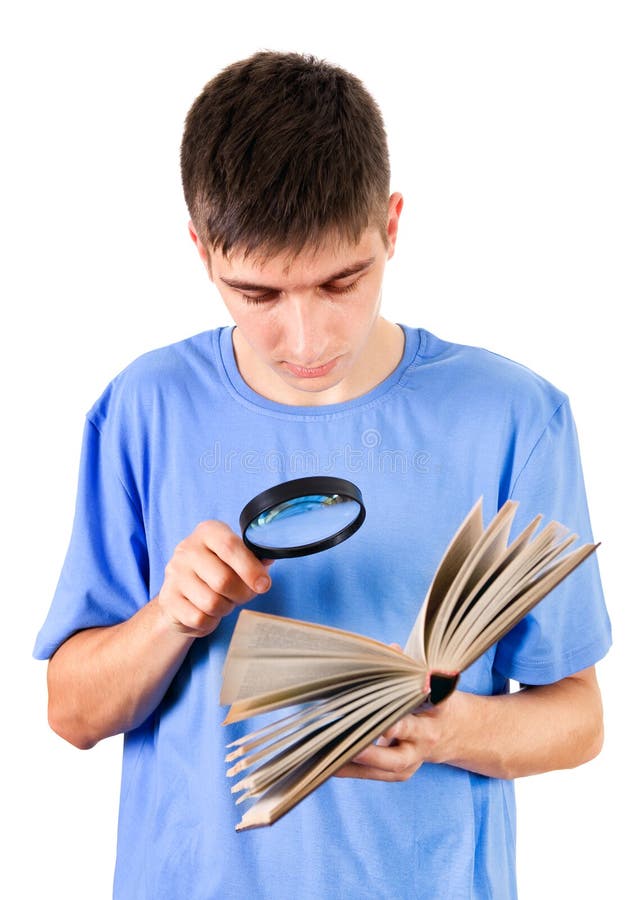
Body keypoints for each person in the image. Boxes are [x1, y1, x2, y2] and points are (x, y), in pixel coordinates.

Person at [34, 51, 611, 899]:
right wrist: (168, 619)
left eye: (341, 281)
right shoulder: (144, 407)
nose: (306, 341)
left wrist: (444, 733)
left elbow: (579, 718)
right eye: (258, 295)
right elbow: (71, 713)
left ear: (391, 226)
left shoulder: (513, 417)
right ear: (200, 250)